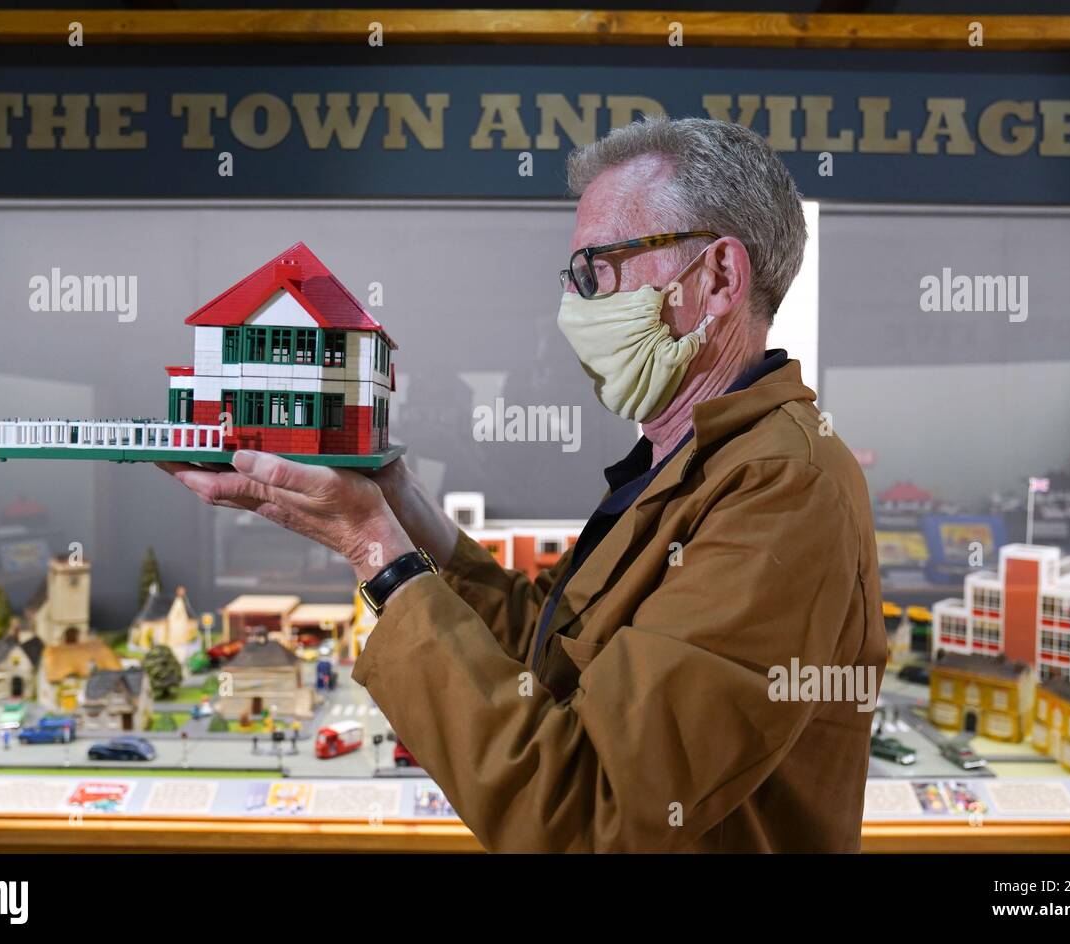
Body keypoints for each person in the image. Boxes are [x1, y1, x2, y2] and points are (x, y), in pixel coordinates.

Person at [159, 117, 885, 852]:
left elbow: (590, 805)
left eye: (597, 270)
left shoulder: (783, 486)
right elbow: (555, 657)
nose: (575, 305)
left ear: (720, 278)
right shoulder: (694, 459)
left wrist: (371, 544)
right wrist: (399, 504)